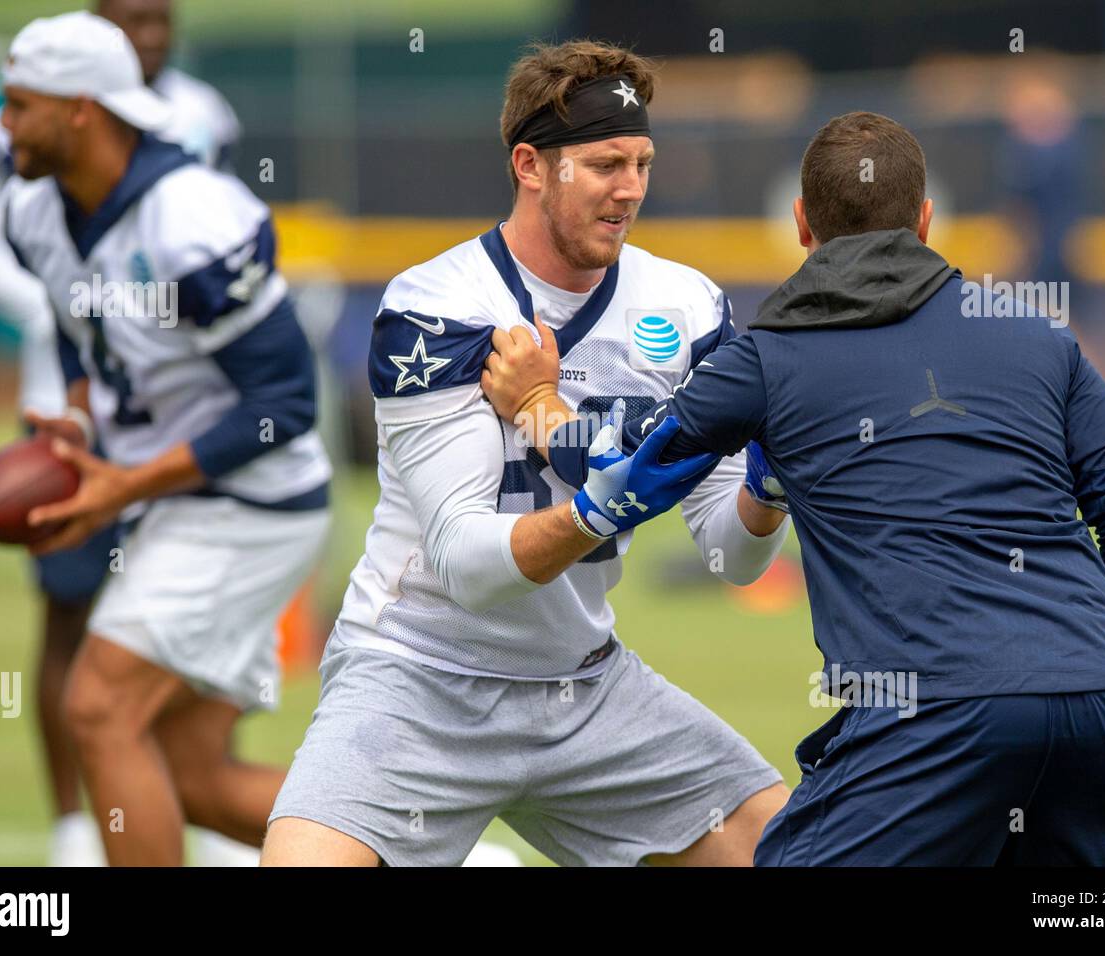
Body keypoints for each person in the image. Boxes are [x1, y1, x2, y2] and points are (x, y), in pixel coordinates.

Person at [484, 111, 1105, 866]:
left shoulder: (770, 358)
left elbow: (635, 470)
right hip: (1099, 701)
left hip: (929, 709)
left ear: (801, 223)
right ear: (926, 219)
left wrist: (539, 409)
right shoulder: (1038, 336)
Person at [262, 39, 790, 867]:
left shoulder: (686, 306)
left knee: (788, 848)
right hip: (420, 676)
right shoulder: (439, 306)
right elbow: (468, 566)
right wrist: (606, 493)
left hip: (583, 684)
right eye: (605, 163)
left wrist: (769, 489)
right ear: (531, 166)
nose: (631, 190)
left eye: (643, 163)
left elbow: (732, 557)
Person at [0, 10, 331, 866]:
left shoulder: (193, 219)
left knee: (99, 708)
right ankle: (440, 857)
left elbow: (285, 404)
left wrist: (122, 484)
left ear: (80, 108)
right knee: (192, 777)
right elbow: (80, 329)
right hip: (179, 500)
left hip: (251, 502)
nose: (3, 128)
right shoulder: (37, 208)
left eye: (19, 105)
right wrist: (76, 416)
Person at [0, 0, 240, 866]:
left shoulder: (203, 113)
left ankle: (194, 802)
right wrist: (65, 311)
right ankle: (77, 826)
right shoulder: (26, 118)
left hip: (183, 408)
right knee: (73, 607)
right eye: (129, 18)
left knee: (193, 608)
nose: (148, 34)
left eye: (159, 17)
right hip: (78, 411)